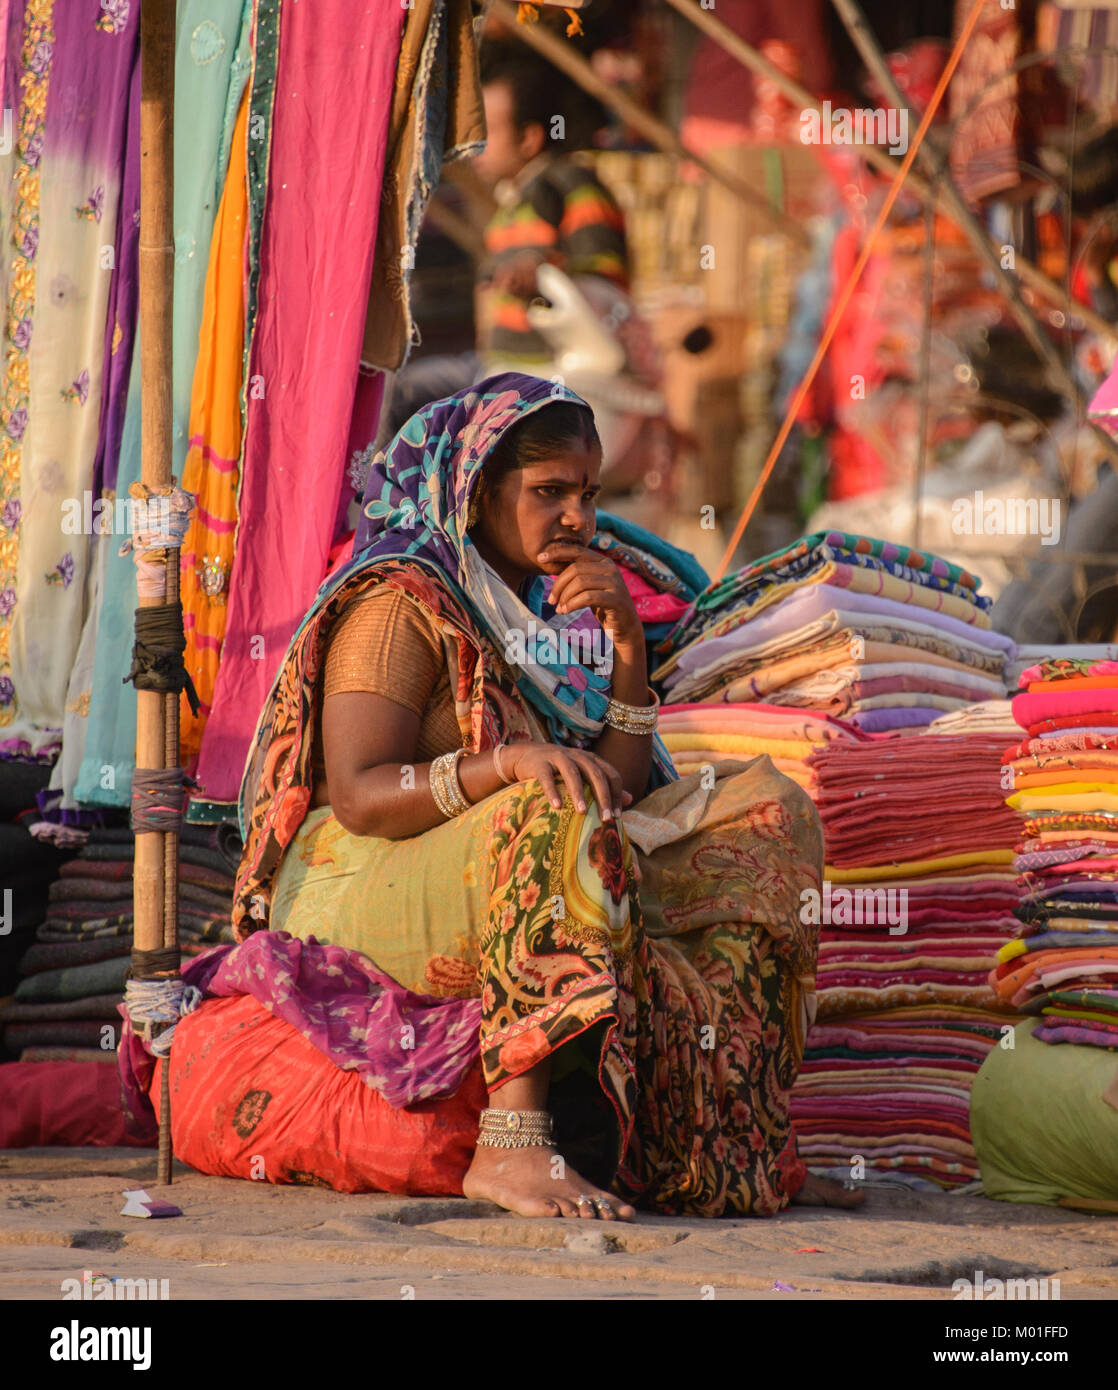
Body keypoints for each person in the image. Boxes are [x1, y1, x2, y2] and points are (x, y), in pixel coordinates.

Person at [234, 372, 863, 1219]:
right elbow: (357, 794)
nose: (578, 517)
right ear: (478, 488)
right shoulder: (400, 599)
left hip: (491, 855)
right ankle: (513, 1144)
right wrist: (506, 767)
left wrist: (628, 650)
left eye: (589, 493)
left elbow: (619, 786)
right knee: (551, 807)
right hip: (349, 877)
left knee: (765, 817)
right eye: (548, 491)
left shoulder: (538, 616)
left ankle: (743, 1145)